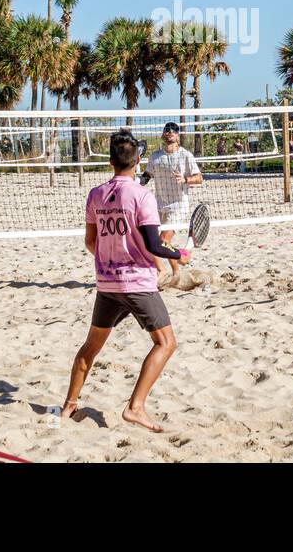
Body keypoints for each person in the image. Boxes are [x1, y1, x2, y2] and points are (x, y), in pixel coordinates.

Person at [60, 129, 189, 432]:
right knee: (166, 343)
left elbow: (90, 241)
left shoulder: (96, 194)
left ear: (110, 161)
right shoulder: (142, 196)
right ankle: (135, 408)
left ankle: (67, 406)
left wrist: (110, 256)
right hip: (136, 284)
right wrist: (179, 253)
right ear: (139, 160)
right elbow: (155, 245)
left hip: (106, 283)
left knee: (90, 348)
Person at [143, 122, 203, 285]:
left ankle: (162, 272)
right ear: (163, 135)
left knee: (162, 241)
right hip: (158, 205)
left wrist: (185, 179)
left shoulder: (186, 155)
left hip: (178, 205)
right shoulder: (155, 156)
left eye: (173, 131)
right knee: (150, 242)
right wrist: (134, 183)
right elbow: (147, 175)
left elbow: (199, 178)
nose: (169, 132)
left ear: (177, 136)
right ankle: (177, 272)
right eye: (166, 130)